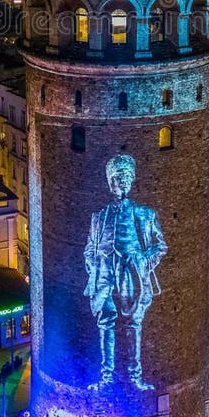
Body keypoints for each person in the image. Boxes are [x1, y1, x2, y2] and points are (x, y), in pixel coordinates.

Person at [84, 153, 168, 391]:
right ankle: (106, 376)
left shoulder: (145, 214)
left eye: (127, 177)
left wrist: (142, 262)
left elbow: (160, 246)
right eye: (118, 178)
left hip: (132, 272)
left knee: (134, 323)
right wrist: (94, 267)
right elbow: (89, 248)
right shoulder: (98, 217)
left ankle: (135, 376)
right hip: (104, 273)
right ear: (110, 182)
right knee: (105, 322)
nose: (122, 181)